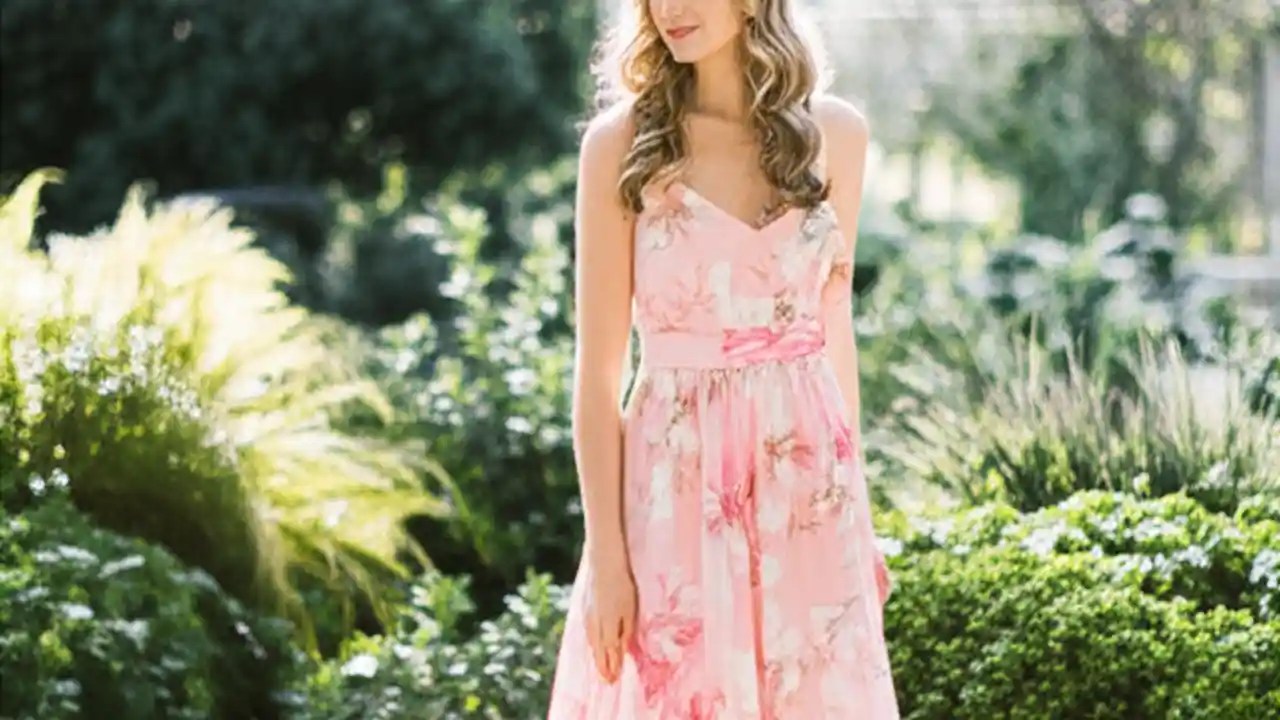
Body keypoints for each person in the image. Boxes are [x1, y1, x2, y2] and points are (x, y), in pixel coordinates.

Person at [547, 0, 899, 716]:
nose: (667, 8)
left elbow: (833, 332)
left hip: (808, 500)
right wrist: (608, 560)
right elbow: (598, 378)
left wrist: (856, 515)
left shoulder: (836, 136)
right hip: (675, 496)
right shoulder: (622, 147)